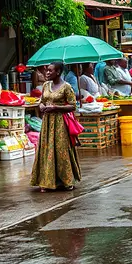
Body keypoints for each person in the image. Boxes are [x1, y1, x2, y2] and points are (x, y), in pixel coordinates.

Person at [31, 62, 81, 192]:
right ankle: (46, 182)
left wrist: (56, 107)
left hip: (60, 123)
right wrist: (41, 106)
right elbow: (42, 101)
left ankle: (67, 181)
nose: (47, 73)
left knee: (61, 150)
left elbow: (73, 106)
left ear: (58, 72)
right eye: (46, 70)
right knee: (47, 150)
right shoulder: (46, 85)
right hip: (47, 122)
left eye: (50, 71)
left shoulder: (66, 87)